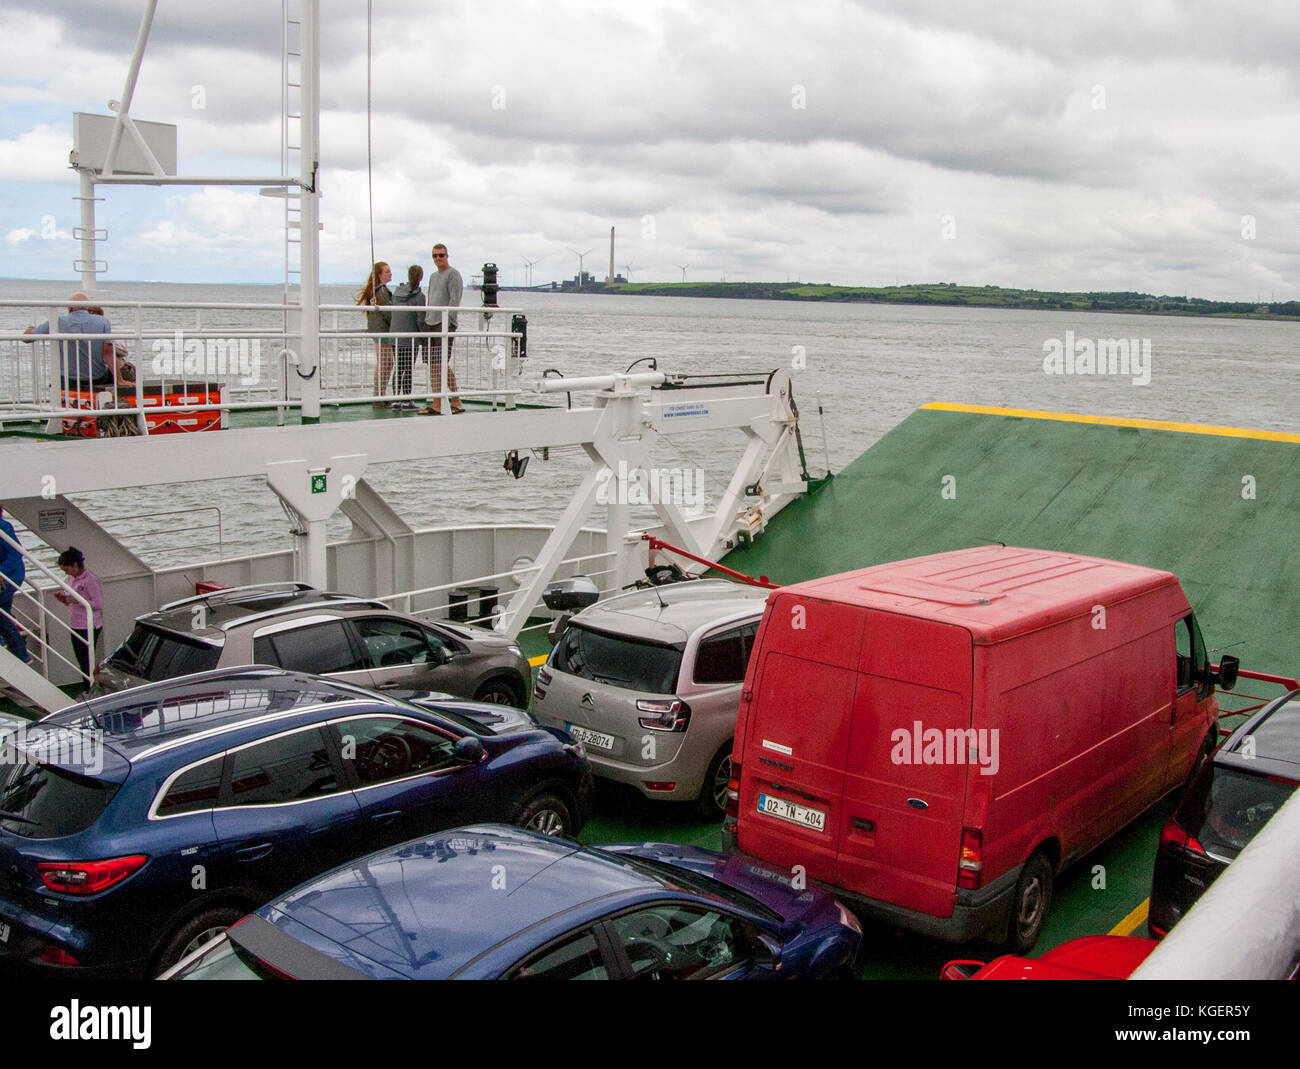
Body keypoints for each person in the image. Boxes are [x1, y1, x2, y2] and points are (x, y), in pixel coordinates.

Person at [21, 293, 126, 391]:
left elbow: (27, 338)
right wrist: (120, 380)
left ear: (70, 307)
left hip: (68, 379)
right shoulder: (103, 321)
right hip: (97, 378)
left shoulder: (58, 322)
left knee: (57, 380)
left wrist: (31, 328)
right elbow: (108, 352)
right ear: (87, 306)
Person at [419, 243, 465, 415]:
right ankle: (437, 401)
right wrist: (426, 318)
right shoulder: (433, 277)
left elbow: (455, 299)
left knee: (441, 364)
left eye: (441, 255)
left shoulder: (453, 274)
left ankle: (454, 399)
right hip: (430, 323)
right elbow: (431, 298)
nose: (438, 258)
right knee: (433, 365)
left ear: (447, 256)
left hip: (443, 324)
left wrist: (448, 322)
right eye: (435, 256)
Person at [53, 547, 103, 693]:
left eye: (67, 569)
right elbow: (72, 600)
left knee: (87, 660)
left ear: (75, 565)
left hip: (89, 625)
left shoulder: (90, 580)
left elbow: (97, 604)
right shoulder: (71, 580)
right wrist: (64, 599)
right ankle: (88, 688)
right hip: (76, 624)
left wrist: (77, 600)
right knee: (82, 660)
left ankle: (91, 689)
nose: (66, 573)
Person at [389, 264, 426, 410]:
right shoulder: (419, 296)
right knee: (408, 367)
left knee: (399, 367)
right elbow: (420, 318)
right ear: (421, 277)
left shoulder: (397, 292)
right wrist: (423, 334)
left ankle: (395, 398)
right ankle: (407, 399)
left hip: (395, 335)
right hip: (410, 337)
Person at [357, 262, 394, 406]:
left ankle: (380, 395)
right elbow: (387, 312)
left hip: (378, 330)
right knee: (385, 363)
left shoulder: (376, 291)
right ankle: (378, 396)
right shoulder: (381, 291)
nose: (390, 274)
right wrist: (396, 323)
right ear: (379, 275)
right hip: (382, 331)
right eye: (387, 271)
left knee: (386, 363)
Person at [0, 506, 29, 664]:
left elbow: (16, 552)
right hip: (7, 575)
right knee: (3, 617)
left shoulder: (3, 527)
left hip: (10, 576)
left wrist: (1, 572)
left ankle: (18, 652)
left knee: (3, 616)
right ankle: (20, 654)